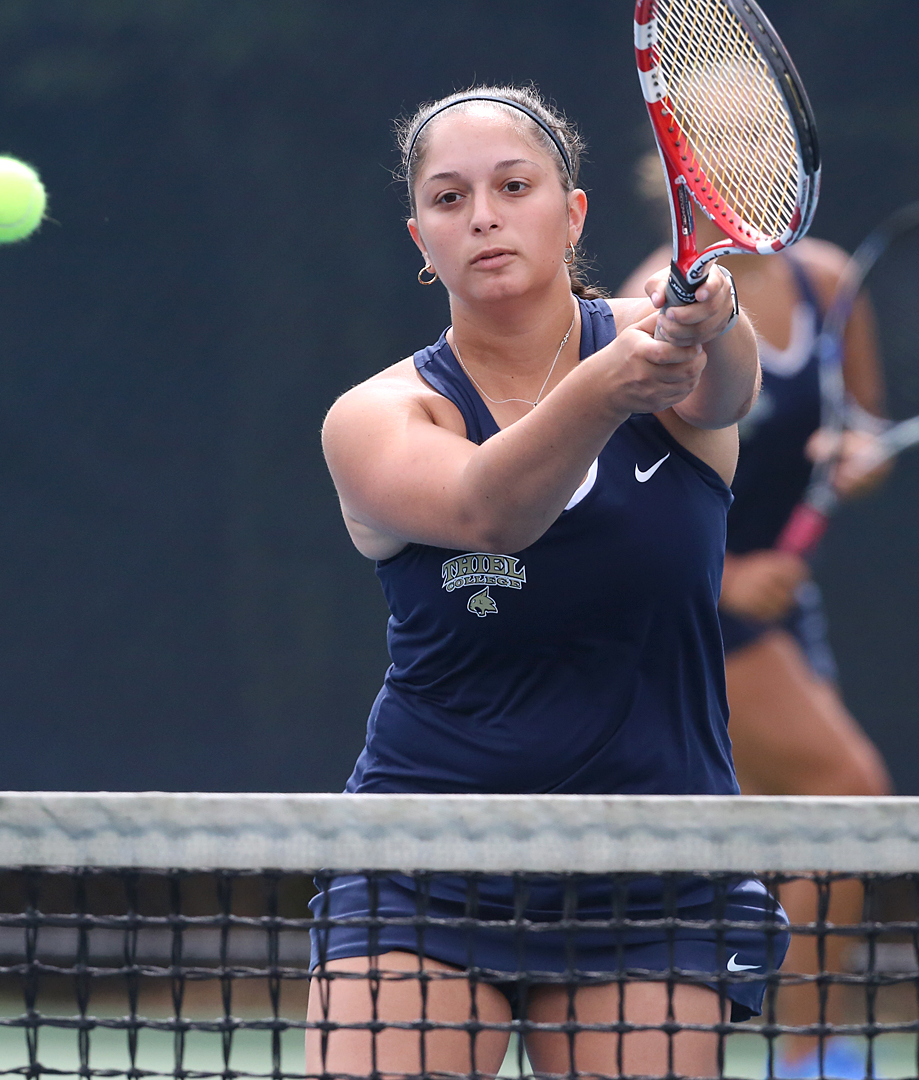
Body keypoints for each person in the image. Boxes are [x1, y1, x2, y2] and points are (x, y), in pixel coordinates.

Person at [310, 85, 770, 1080]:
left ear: (574, 212)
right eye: (447, 197)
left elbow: (729, 386)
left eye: (514, 185)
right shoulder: (379, 415)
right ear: (418, 237)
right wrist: (602, 390)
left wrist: (719, 316)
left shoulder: (669, 363)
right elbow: (490, 513)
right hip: (426, 863)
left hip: (654, 868)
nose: (481, 213)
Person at [628, 164, 895, 1079]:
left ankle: (791, 1044)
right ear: (681, 175)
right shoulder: (655, 298)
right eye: (709, 159)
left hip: (782, 611)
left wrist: (860, 453)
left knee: (798, 821)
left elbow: (868, 425)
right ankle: (807, 1054)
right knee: (845, 793)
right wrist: (729, 576)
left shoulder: (829, 282)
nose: (733, 181)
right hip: (682, 606)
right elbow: (629, 491)